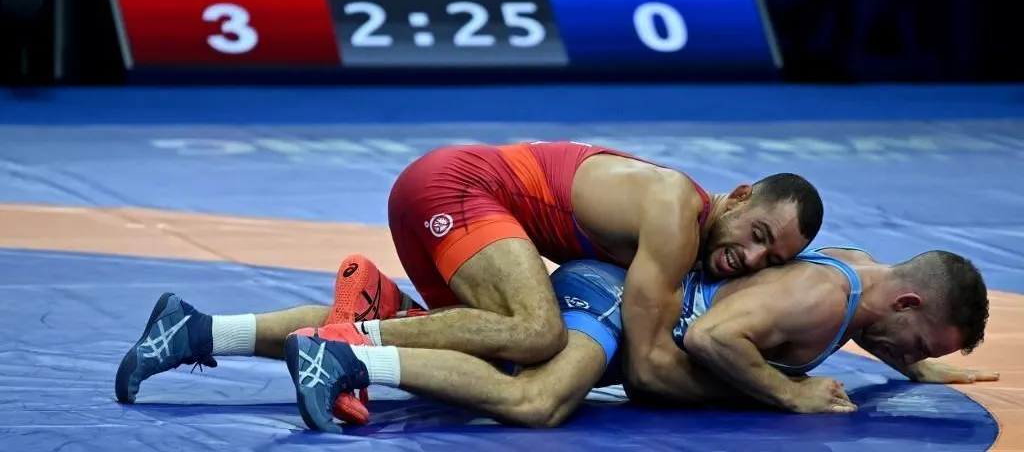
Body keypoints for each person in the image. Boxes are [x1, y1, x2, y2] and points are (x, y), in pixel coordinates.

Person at [115, 141, 824, 404]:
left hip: (452, 202)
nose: (753, 259)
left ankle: (199, 330)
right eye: (758, 235)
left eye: (773, 259)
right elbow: (646, 370)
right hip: (457, 188)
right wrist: (778, 391)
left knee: (469, 342)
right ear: (737, 198)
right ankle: (344, 340)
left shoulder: (694, 231)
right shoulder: (676, 213)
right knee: (537, 331)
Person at [284, 246, 995, 432]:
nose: (910, 352)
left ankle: (365, 320)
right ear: (906, 301)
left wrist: (917, 367)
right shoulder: (823, 295)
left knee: (482, 352)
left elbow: (875, 326)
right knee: (536, 403)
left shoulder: (867, 282)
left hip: (623, 309)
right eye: (918, 342)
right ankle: (346, 354)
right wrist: (789, 393)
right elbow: (713, 338)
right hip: (614, 302)